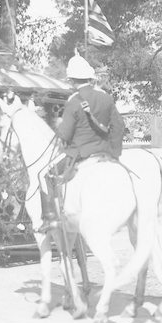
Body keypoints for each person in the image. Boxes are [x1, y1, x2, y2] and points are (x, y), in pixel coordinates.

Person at [40, 54, 125, 231]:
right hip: (104, 153)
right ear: (89, 77)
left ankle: (51, 219)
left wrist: (58, 125)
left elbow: (65, 135)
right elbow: (118, 126)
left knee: (46, 175)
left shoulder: (73, 101)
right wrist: (115, 153)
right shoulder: (106, 98)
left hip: (79, 153)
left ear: (71, 80)